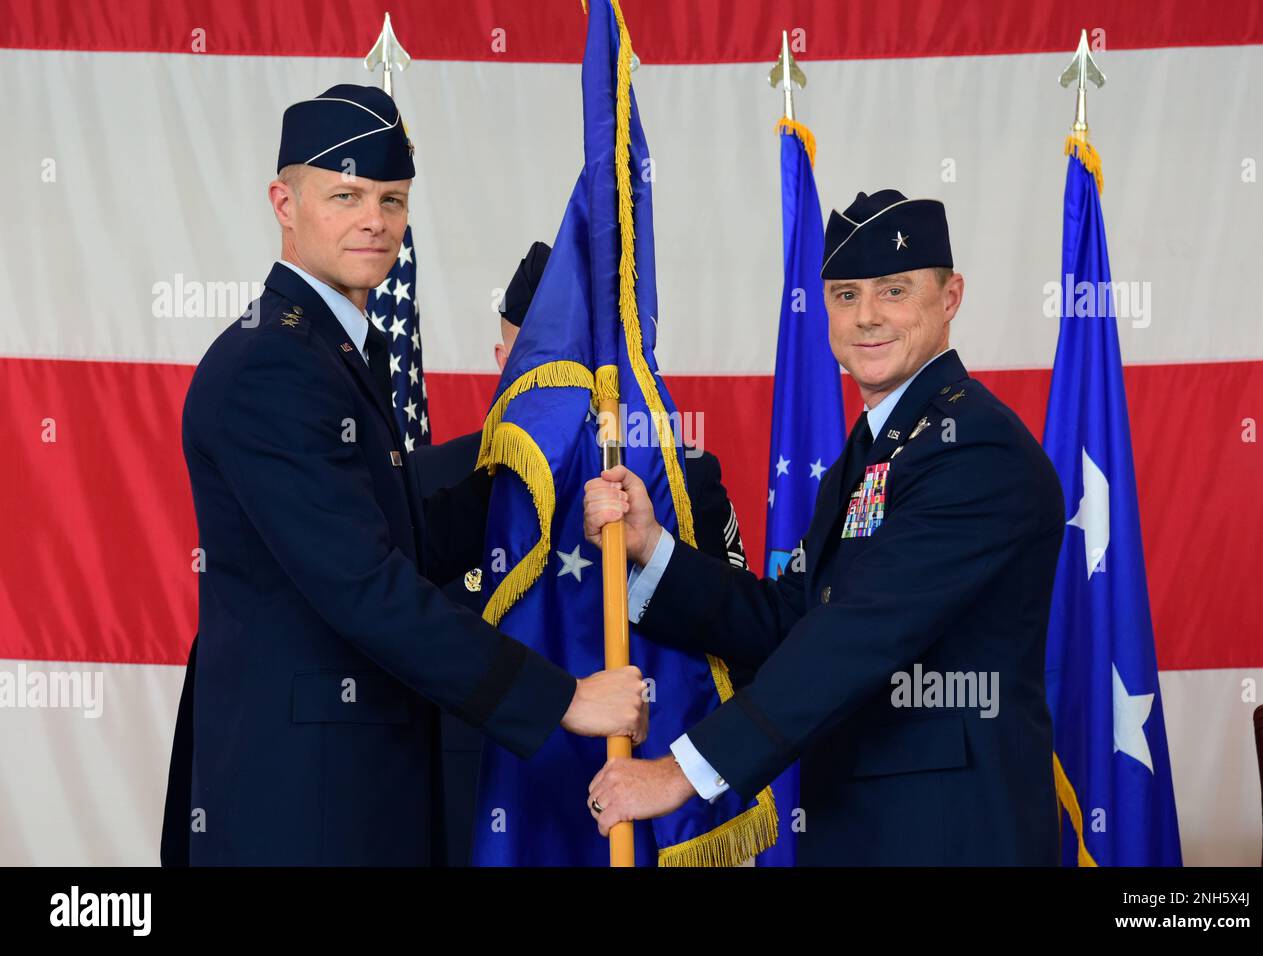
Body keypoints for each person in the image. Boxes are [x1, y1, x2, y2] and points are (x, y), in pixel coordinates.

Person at [161, 84, 647, 867]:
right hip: (302, 803)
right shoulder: (272, 366)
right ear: (284, 202)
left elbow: (400, 540)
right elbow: (366, 586)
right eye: (345, 196)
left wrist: (543, 473)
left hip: (346, 781)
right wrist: (562, 697)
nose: (374, 221)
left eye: (392, 199)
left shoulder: (330, 347)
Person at [582, 189, 1066, 865]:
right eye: (845, 295)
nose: (867, 317)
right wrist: (650, 546)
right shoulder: (877, 450)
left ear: (950, 297)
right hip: (867, 829)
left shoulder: (973, 450)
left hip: (953, 836)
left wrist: (681, 772)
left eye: (894, 291)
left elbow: (855, 636)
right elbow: (791, 622)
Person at [410, 240, 749, 865]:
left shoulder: (681, 477)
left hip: (641, 809)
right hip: (482, 802)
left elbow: (735, 641)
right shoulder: (437, 479)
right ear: (506, 360)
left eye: (584, 361)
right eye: (544, 358)